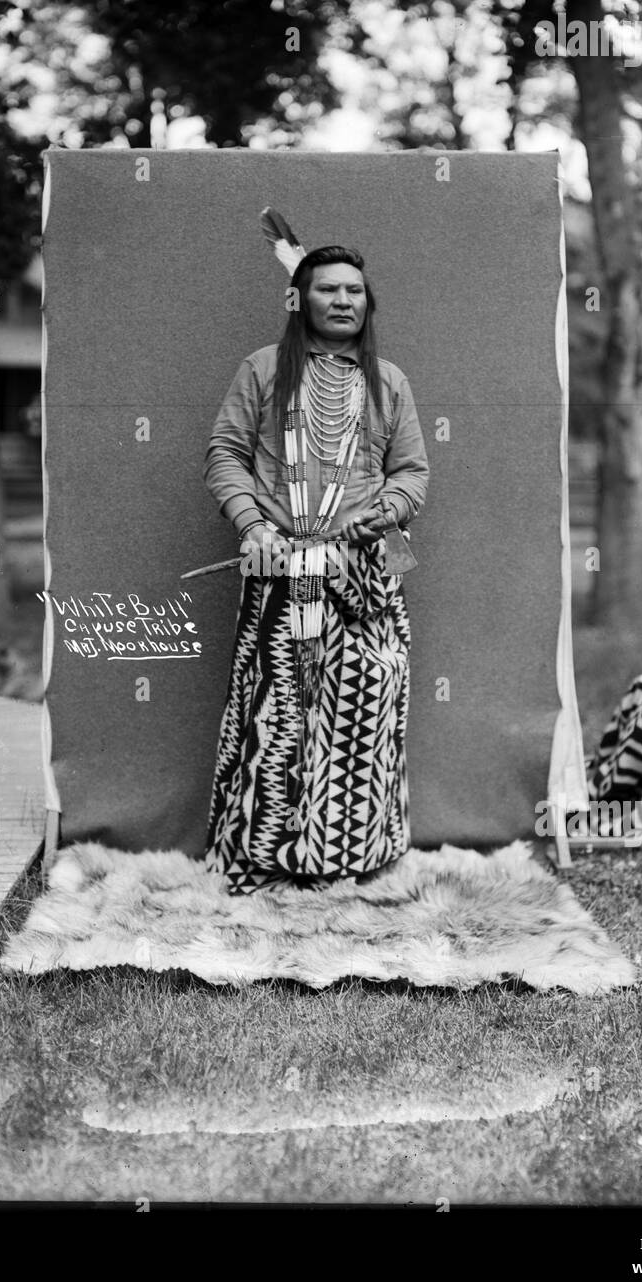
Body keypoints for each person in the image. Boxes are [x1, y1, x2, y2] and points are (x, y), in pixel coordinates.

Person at [203, 245, 429, 894]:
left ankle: (354, 860)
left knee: (361, 708)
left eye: (354, 291)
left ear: (368, 302)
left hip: (364, 574)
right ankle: (263, 857)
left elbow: (412, 473)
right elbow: (225, 454)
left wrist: (378, 514)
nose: (342, 301)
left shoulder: (390, 382)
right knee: (276, 713)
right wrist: (253, 525)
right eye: (327, 289)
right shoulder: (262, 371)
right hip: (278, 567)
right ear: (298, 299)